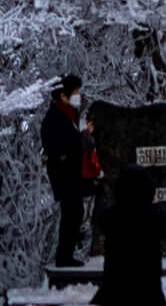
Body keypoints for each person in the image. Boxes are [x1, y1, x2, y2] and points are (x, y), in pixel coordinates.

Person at [96, 163, 166, 306]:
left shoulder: (112, 215)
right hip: (148, 287)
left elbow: (103, 223)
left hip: (116, 286)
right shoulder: (152, 216)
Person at [42, 74, 89, 268]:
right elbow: (63, 145)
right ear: (63, 95)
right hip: (64, 173)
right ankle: (64, 256)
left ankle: (66, 254)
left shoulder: (68, 114)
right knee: (72, 211)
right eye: (75, 92)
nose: (78, 95)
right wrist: (83, 137)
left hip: (70, 172)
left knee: (75, 211)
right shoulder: (56, 117)